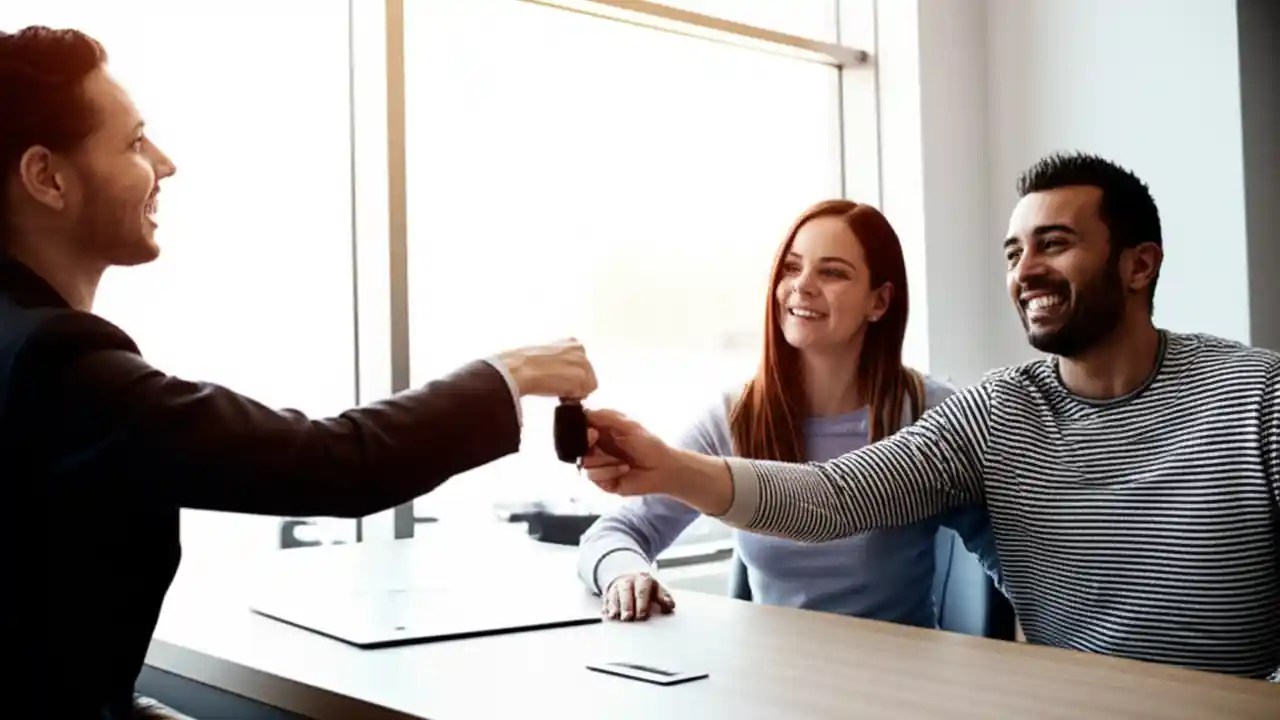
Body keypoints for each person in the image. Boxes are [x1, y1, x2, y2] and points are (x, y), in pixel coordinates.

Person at [0, 26, 597, 718]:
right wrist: (510, 372)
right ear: (47, 177)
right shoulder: (55, 367)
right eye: (134, 143)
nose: (164, 164)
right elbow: (329, 461)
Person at [583, 152, 1280, 681]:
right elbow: (832, 497)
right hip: (1073, 699)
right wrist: (669, 468)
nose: (1025, 269)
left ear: (1139, 266)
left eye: (1055, 243)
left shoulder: (1256, 394)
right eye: (1014, 252)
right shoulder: (994, 414)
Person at [576, 199, 1001, 628]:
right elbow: (615, 533)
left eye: (832, 272)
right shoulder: (737, 416)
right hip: (776, 676)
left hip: (897, 677)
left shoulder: (934, 413)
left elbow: (1017, 551)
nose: (802, 286)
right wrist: (627, 574)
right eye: (792, 268)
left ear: (879, 301)